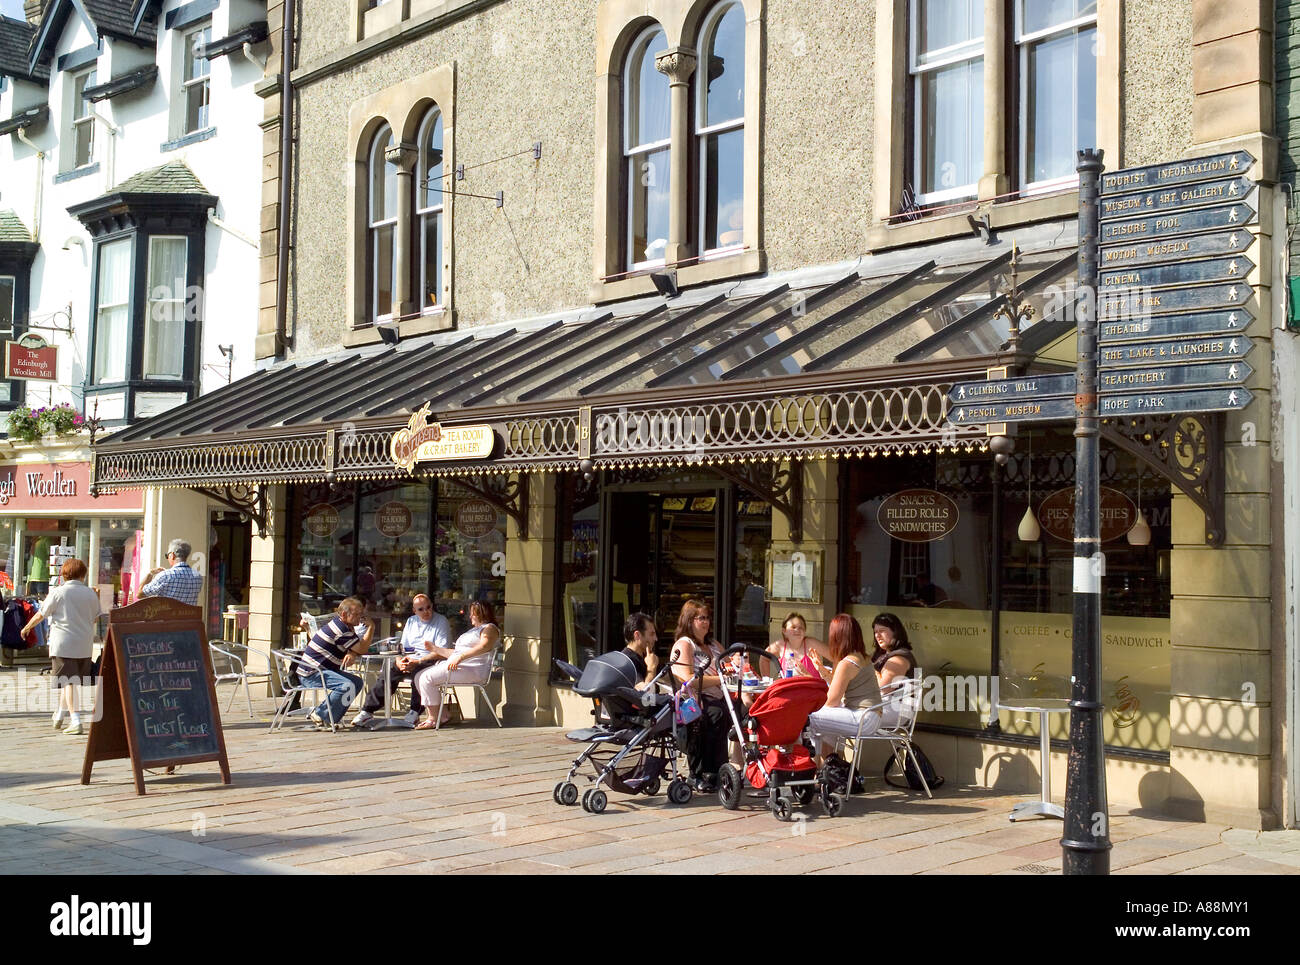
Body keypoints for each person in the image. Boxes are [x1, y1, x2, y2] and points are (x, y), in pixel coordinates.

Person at [21, 559, 102, 736]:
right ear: (83, 574)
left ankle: (75, 720)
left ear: (64, 574)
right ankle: (59, 715)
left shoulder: (58, 592)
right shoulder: (91, 594)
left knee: (69, 682)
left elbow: (42, 614)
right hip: (84, 645)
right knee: (71, 682)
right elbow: (95, 618)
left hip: (64, 644)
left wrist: (27, 627)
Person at [350, 594, 450, 728]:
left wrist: (418, 661)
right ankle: (367, 711)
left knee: (419, 674)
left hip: (429, 659)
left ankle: (415, 711)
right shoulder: (411, 621)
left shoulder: (441, 621)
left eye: (428, 607)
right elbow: (402, 646)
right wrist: (399, 661)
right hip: (410, 657)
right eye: (421, 609)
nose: (426, 611)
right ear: (414, 611)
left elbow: (441, 651)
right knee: (388, 673)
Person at [806, 613, 892, 761]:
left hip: (863, 718)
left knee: (807, 718)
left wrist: (809, 703)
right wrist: (821, 669)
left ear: (837, 636)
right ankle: (832, 769)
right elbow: (840, 684)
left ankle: (813, 766)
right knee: (826, 726)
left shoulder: (847, 663)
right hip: (870, 717)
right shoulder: (860, 656)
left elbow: (831, 701)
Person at [669, 599, 730, 792]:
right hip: (692, 699)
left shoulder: (713, 644)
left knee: (741, 711)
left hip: (719, 695)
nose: (706, 622)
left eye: (707, 618)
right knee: (714, 713)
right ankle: (699, 773)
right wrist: (719, 679)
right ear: (689, 620)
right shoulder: (685, 645)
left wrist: (735, 663)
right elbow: (687, 679)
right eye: (700, 618)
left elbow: (729, 666)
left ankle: (720, 769)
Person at [412, 600, 500, 729]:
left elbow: (485, 646)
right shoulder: (474, 630)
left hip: (473, 670)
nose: (470, 616)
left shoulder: (490, 628)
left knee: (427, 678)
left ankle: (433, 718)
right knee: (419, 676)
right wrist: (435, 649)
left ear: (481, 614)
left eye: (472, 613)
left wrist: (460, 657)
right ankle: (442, 715)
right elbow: (455, 652)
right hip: (459, 666)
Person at [298, 597, 374, 729]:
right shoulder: (342, 630)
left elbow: (355, 648)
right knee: (346, 685)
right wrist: (371, 627)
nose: (360, 618)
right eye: (356, 614)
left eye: (361, 614)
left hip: (322, 670)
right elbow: (362, 648)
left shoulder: (344, 626)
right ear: (344, 614)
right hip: (312, 673)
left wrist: (352, 652)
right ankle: (320, 713)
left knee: (357, 682)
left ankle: (329, 718)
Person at [763, 612, 830, 682]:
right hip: (788, 690)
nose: (797, 630)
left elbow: (835, 657)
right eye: (793, 627)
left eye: (801, 627)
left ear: (805, 631)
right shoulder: (780, 645)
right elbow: (764, 658)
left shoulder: (811, 643)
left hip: (811, 690)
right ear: (784, 631)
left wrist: (833, 680)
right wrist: (767, 682)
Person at [139, 539, 202, 605]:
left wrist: (150, 573)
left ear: (172, 555)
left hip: (166, 615)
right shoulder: (197, 576)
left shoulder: (166, 576)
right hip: (188, 614)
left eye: (167, 555)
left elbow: (140, 594)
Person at [870, 612, 918, 692]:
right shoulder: (882, 654)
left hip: (893, 703)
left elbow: (883, 689)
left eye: (881, 631)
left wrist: (869, 667)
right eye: (875, 632)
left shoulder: (900, 657)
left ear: (895, 632)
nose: (877, 635)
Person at [620, 612, 660, 688]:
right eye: (652, 634)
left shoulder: (646, 657)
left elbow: (667, 678)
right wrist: (651, 669)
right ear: (637, 635)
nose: (656, 639)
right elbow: (646, 698)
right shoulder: (627, 663)